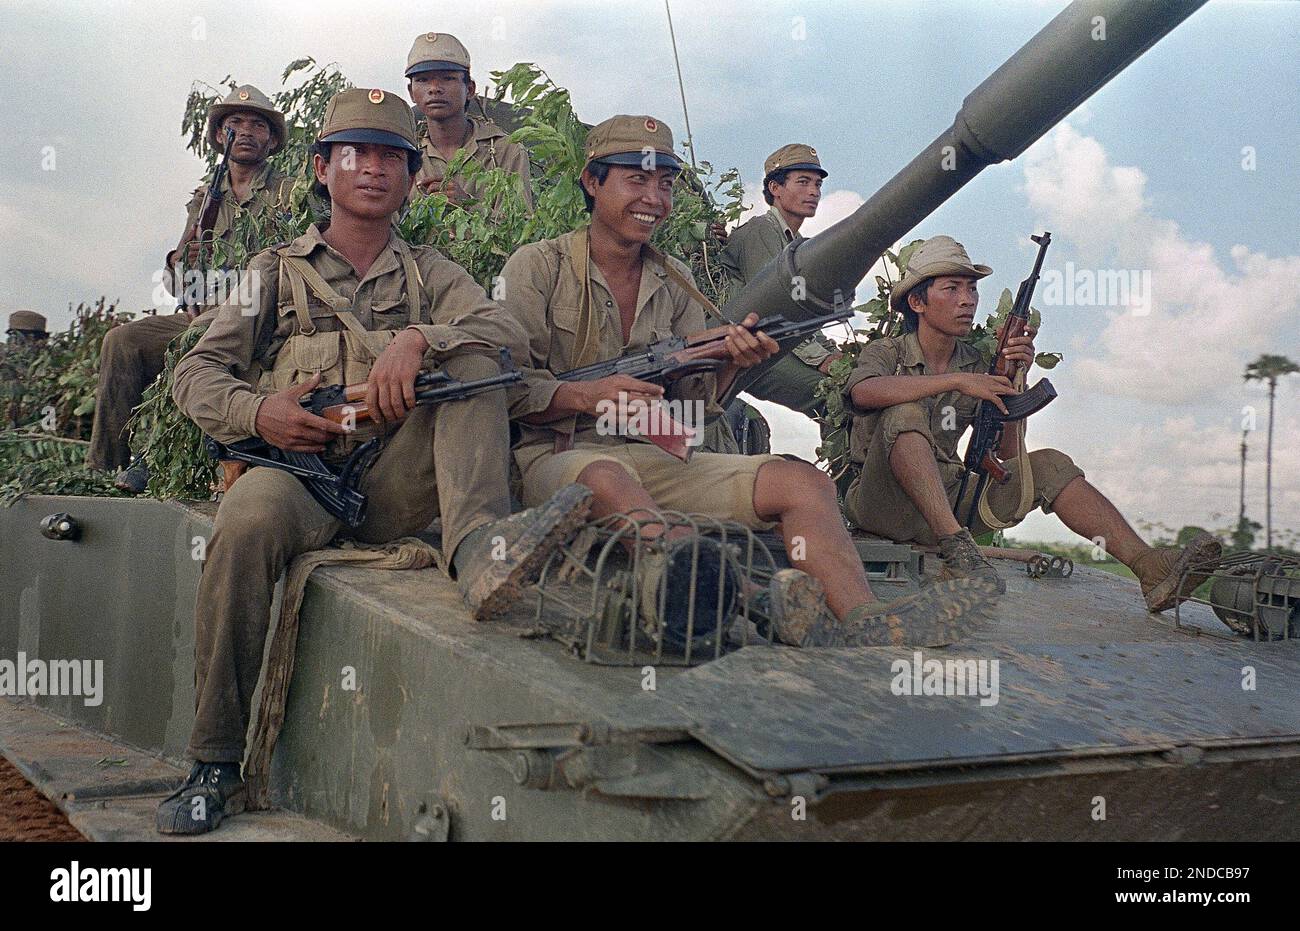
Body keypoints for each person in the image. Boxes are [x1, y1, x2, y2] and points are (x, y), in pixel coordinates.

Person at [156, 87, 591, 835]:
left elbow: (506, 327)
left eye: (393, 155)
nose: (374, 169)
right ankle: (214, 760)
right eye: (354, 153)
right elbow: (196, 374)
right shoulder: (276, 271)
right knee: (243, 524)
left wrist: (420, 338)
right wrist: (262, 412)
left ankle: (479, 550)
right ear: (322, 168)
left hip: (399, 478)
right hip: (303, 477)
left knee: (476, 357)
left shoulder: (432, 273)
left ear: (413, 176)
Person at [499, 115, 999, 652]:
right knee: (606, 478)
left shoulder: (676, 282)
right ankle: (755, 598)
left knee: (803, 483)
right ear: (593, 182)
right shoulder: (537, 268)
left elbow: (693, 406)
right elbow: (499, 388)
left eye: (665, 184)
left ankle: (866, 618)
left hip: (652, 456)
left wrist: (734, 364)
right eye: (636, 180)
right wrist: (582, 395)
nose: (654, 198)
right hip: (561, 459)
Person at [841, 234, 1221, 609]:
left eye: (972, 289)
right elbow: (863, 392)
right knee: (903, 413)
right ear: (917, 301)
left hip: (951, 500)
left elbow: (1008, 454)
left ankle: (1149, 567)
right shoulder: (887, 352)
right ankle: (957, 547)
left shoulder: (977, 363)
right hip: (884, 504)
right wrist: (956, 381)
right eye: (952, 288)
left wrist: (1014, 378)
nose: (967, 300)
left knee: (1050, 464)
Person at [88, 85, 294, 490]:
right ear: (220, 136)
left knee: (196, 340)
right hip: (205, 314)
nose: (246, 132)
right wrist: (181, 260)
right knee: (123, 341)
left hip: (260, 316)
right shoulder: (205, 199)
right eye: (235, 124)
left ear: (271, 140)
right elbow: (176, 281)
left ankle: (155, 457)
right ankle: (103, 469)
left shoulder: (288, 192)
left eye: (257, 125)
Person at [405, 32, 533, 210]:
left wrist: (468, 206)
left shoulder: (505, 151)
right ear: (411, 92)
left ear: (470, 89)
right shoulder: (405, 155)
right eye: (423, 80)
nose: (434, 88)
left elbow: (521, 229)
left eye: (447, 78)